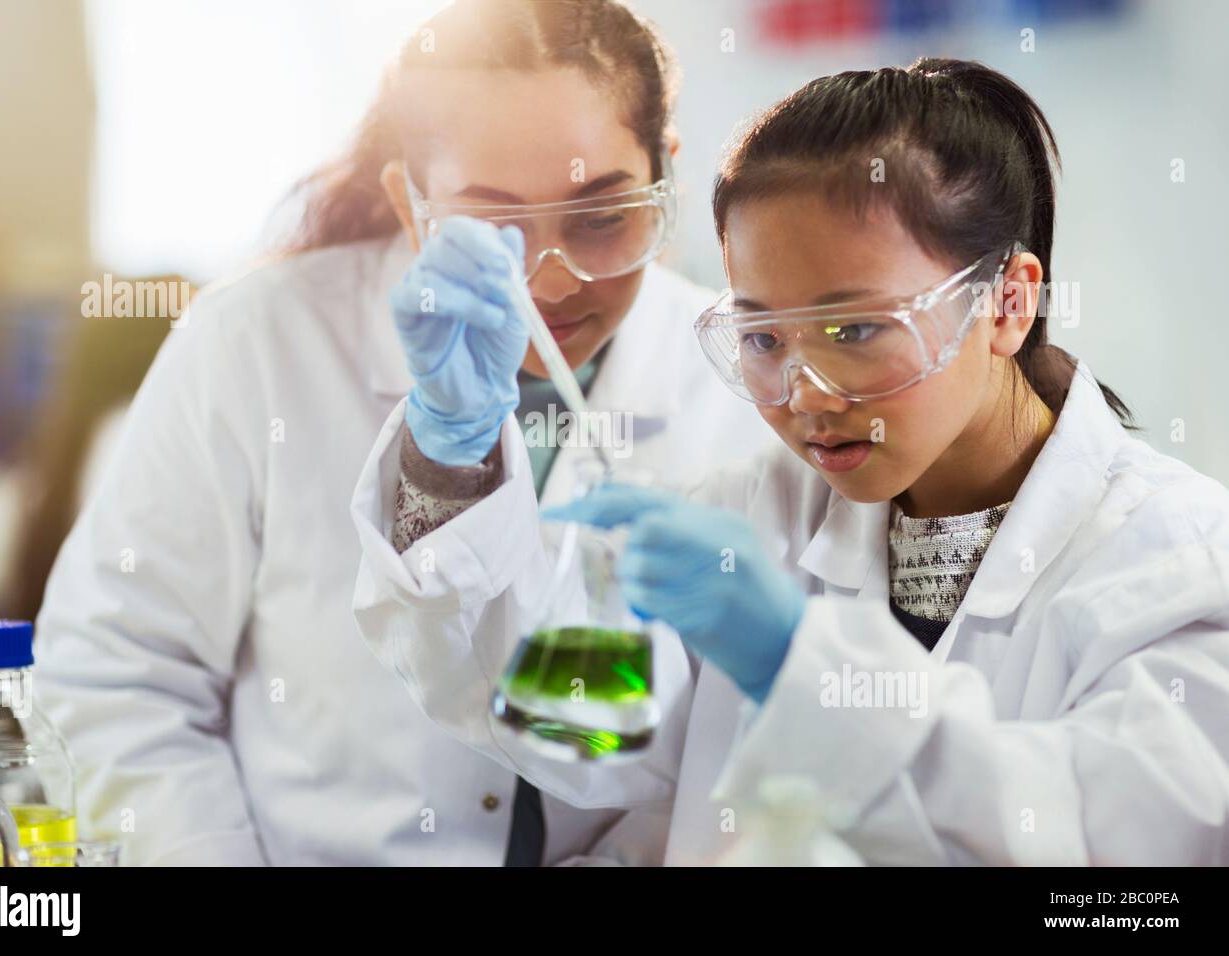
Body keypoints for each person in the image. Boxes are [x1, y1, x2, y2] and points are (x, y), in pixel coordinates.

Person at [353, 58, 1229, 864]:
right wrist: (450, 449)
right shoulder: (749, 521)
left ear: (1009, 302)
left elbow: (1118, 860)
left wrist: (797, 668)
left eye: (855, 329)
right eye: (763, 337)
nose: (804, 393)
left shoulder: (1180, 559)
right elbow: (567, 725)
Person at [33, 0, 774, 866]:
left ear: (667, 177)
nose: (551, 279)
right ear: (409, 202)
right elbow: (117, 674)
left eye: (602, 217)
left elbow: (721, 732)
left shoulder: (744, 382)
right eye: (491, 227)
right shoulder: (255, 344)